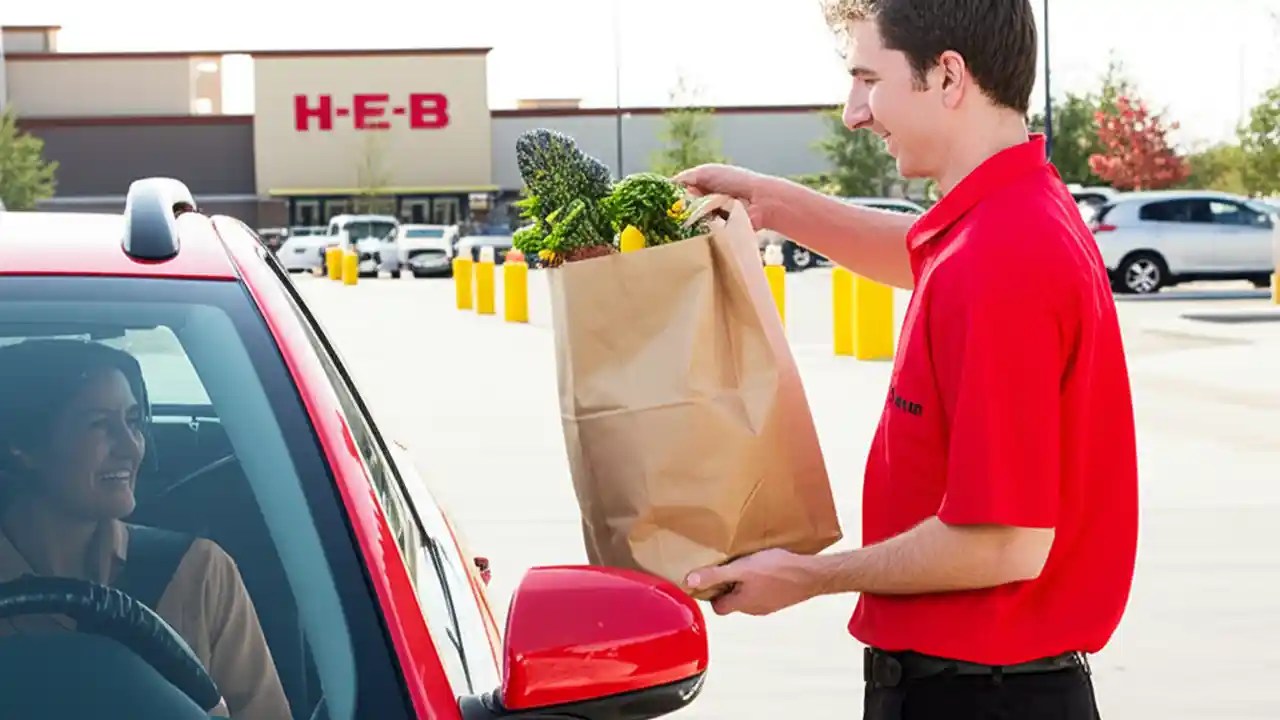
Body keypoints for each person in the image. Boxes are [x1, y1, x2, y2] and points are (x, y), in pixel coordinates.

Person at [677, 1, 1138, 718]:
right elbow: (923, 257)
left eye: (869, 79)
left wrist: (808, 576)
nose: (855, 112)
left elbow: (1003, 545)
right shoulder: (1006, 216)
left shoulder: (1001, 258)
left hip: (982, 698)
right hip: (984, 689)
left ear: (948, 76)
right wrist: (773, 202)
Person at [0, 339, 291, 719]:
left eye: (133, 422)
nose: (131, 446)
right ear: (23, 445)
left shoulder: (198, 571)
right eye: (100, 425)